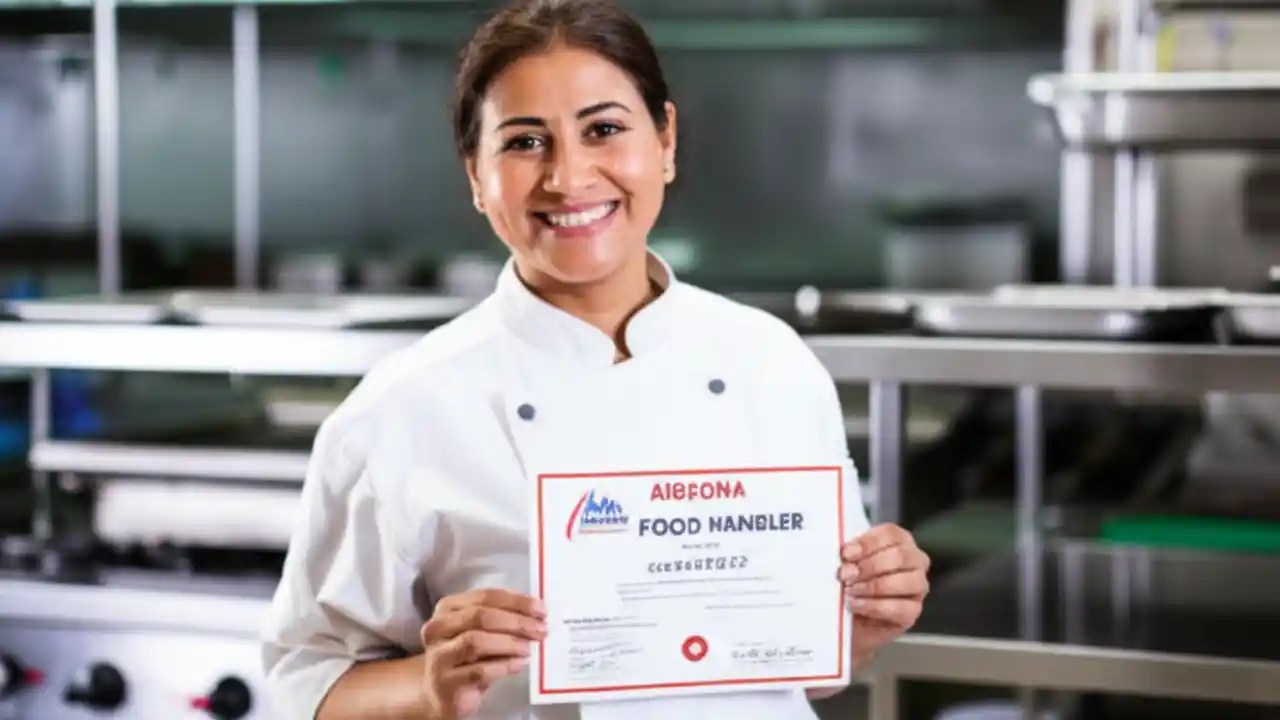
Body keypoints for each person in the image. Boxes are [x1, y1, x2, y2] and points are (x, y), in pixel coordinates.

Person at [262, 1, 931, 718]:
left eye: (605, 130)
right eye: (525, 143)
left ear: (666, 141)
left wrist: (860, 623)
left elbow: (801, 665)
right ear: (475, 174)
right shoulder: (400, 408)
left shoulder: (772, 361)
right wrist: (430, 686)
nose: (569, 177)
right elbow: (306, 687)